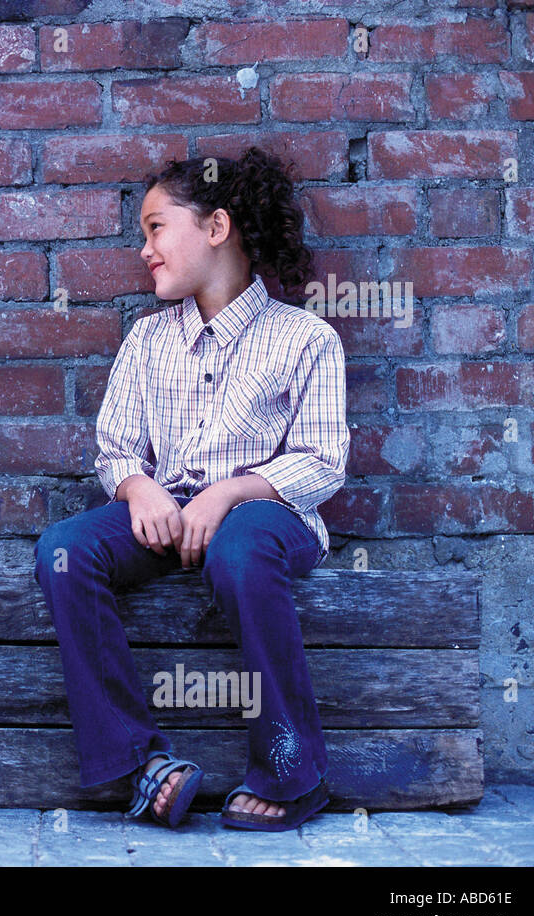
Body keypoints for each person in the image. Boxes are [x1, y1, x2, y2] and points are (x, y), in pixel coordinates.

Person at [33, 147, 349, 832]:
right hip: (167, 516)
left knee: (239, 550)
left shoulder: (304, 339)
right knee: (65, 550)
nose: (143, 248)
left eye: (154, 227)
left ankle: (293, 773)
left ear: (216, 228)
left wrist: (232, 493)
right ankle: (140, 764)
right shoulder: (147, 341)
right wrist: (137, 485)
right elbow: (115, 448)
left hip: (268, 519)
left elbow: (324, 461)